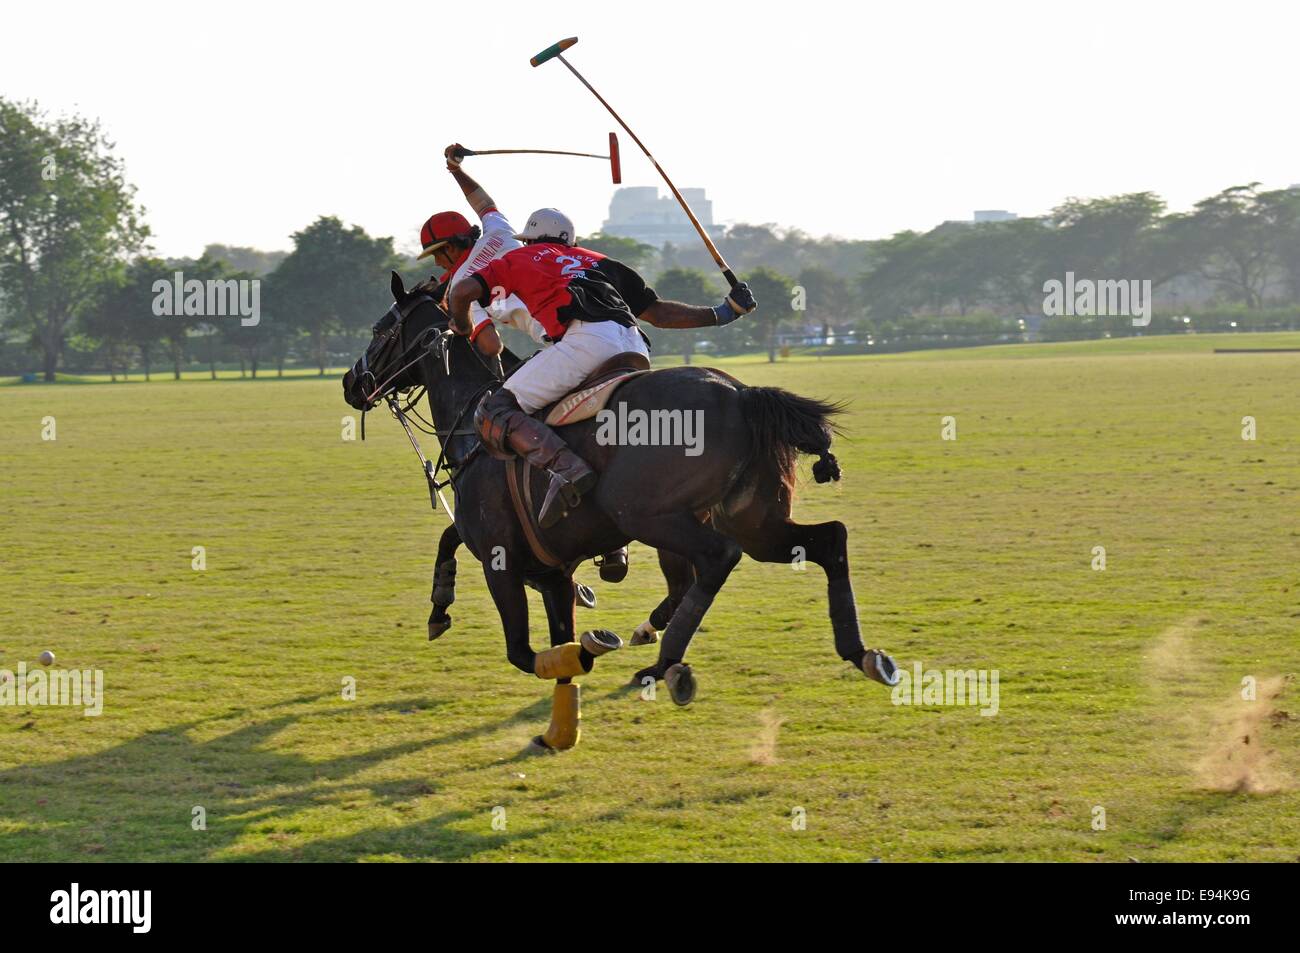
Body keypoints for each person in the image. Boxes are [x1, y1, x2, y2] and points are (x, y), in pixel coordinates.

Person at [447, 208, 756, 528]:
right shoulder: (600, 261)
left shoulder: (520, 259)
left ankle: (568, 472)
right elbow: (660, 315)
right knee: (573, 410)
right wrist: (725, 311)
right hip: (635, 347)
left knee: (495, 409)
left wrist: (460, 321)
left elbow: (461, 292)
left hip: (585, 343)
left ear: (532, 241)